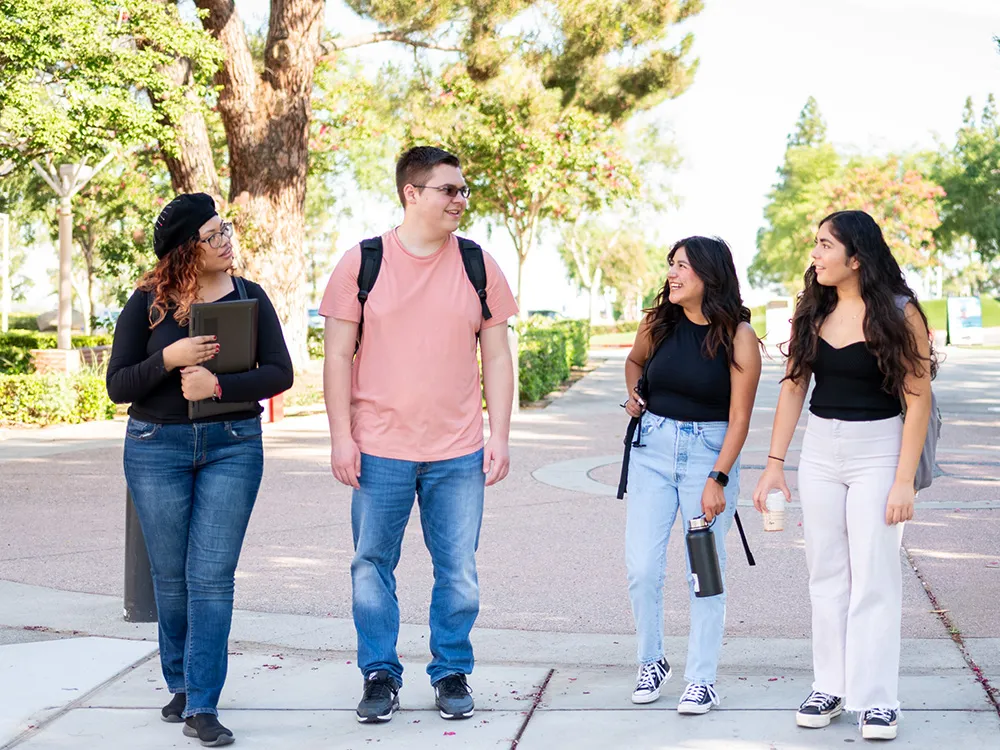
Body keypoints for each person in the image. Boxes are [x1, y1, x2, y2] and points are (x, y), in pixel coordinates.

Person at [320, 146, 518, 724]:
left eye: (463, 190)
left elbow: (498, 357)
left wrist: (498, 434)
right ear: (412, 193)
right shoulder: (363, 262)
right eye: (448, 189)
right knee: (370, 564)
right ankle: (379, 673)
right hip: (378, 448)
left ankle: (451, 670)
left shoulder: (479, 264)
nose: (460, 199)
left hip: (458, 450)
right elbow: (335, 357)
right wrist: (340, 436)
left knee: (457, 568)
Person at [107, 193, 293, 747]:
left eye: (225, 230)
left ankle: (204, 703)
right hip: (154, 446)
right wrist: (169, 358)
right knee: (170, 577)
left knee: (211, 578)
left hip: (233, 445)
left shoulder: (250, 297)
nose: (226, 240)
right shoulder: (147, 303)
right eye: (214, 235)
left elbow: (280, 372)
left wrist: (218, 386)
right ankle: (182, 683)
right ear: (188, 249)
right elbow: (118, 386)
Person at [752, 210, 935, 741]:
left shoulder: (900, 314)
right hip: (821, 451)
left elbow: (917, 400)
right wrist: (774, 466)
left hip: (879, 451)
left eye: (825, 245)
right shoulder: (812, 311)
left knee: (874, 574)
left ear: (857, 257)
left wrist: (904, 481)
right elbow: (792, 387)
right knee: (825, 572)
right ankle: (829, 684)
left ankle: (877, 699)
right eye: (816, 244)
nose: (815, 253)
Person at [622, 236, 762, 715]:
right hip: (652, 450)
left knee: (703, 571)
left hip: (708, 453)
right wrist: (635, 395)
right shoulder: (657, 321)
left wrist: (718, 478)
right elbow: (635, 361)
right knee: (641, 567)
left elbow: (741, 417)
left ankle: (701, 679)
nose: (672, 274)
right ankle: (651, 660)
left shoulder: (739, 335)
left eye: (682, 266)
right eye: (671, 265)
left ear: (709, 274)